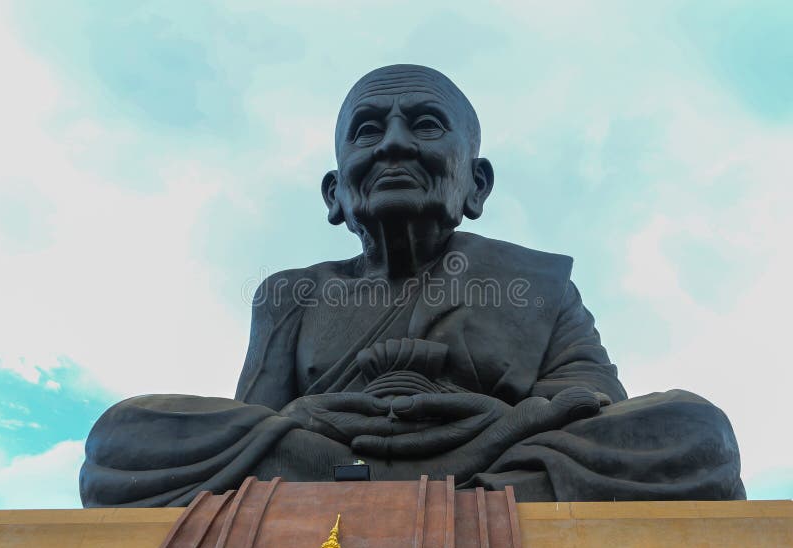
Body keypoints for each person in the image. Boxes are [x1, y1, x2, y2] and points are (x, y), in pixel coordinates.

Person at [80, 65, 744, 507]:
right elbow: (255, 429)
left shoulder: (536, 285)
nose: (393, 143)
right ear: (336, 192)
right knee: (120, 439)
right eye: (368, 130)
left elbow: (593, 404)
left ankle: (425, 485)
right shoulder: (291, 294)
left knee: (693, 431)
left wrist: (496, 423)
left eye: (425, 124)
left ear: (475, 185)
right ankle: (443, 491)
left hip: (491, 455)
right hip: (332, 460)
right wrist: (311, 421)